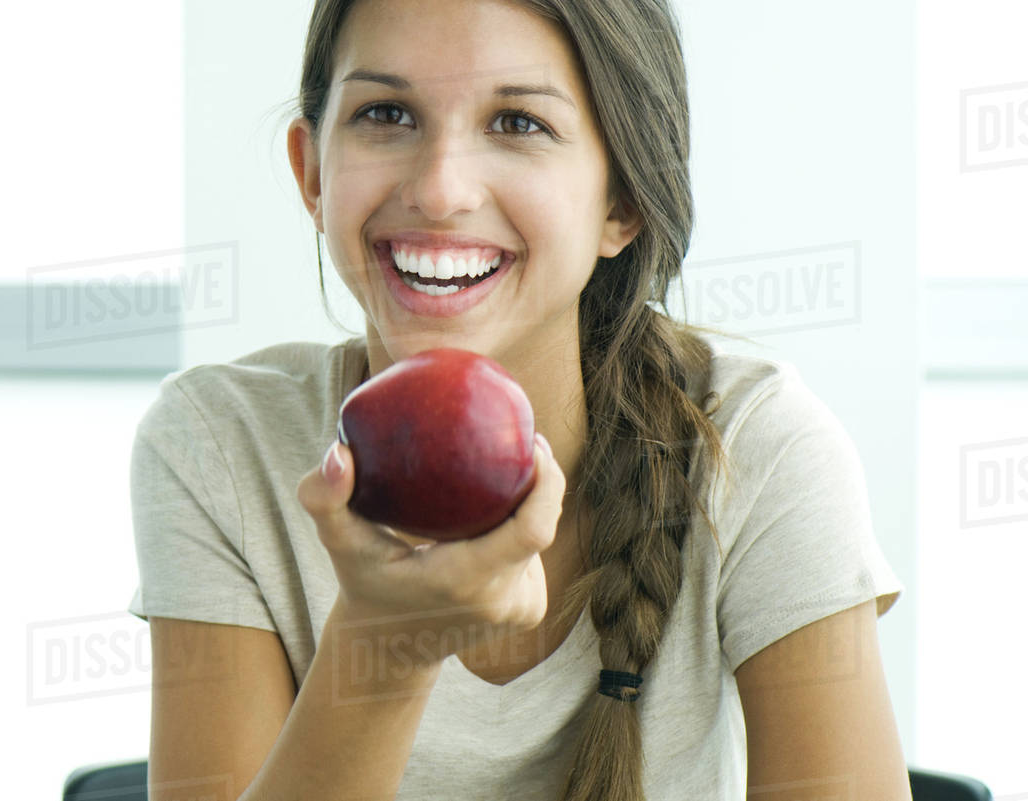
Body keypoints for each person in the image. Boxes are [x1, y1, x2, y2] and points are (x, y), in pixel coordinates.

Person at [127, 1, 911, 799]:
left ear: (623, 202)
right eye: (386, 113)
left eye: (518, 123)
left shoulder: (756, 449)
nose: (440, 190)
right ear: (313, 173)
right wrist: (387, 650)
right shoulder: (217, 446)